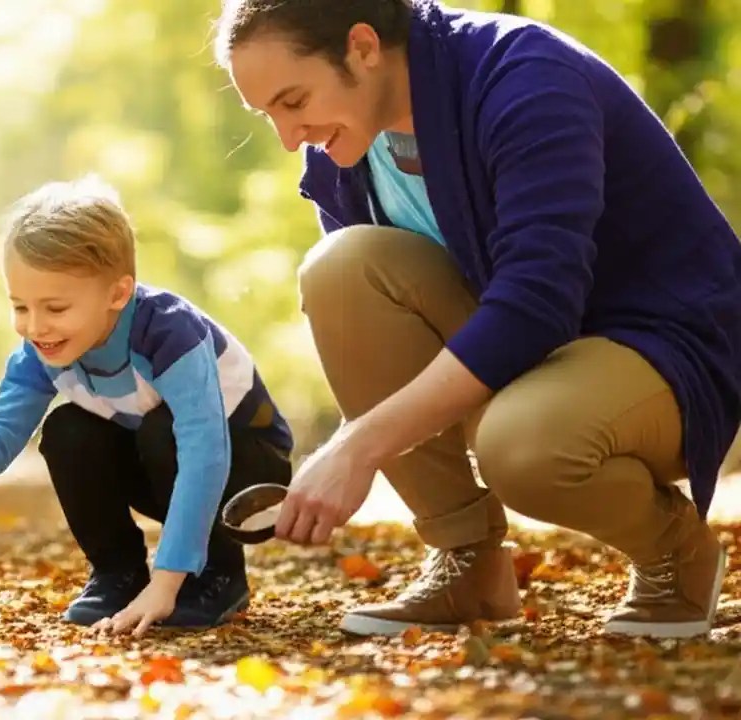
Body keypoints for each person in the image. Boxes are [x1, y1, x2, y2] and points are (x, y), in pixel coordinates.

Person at [214, 0, 741, 639]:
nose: (288, 135)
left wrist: (359, 444)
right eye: (267, 113)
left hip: (669, 346)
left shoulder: (524, 77)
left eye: (293, 101)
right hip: (542, 354)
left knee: (521, 447)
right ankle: (467, 561)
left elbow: (536, 302)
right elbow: (381, 322)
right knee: (341, 266)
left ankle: (675, 553)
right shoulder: (341, 144)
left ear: (362, 46)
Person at [0, 175, 294, 637]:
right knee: (68, 429)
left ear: (117, 294)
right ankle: (118, 573)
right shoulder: (39, 352)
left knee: (162, 429)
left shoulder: (169, 332)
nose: (35, 326)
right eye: (21, 307)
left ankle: (217, 577)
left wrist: (168, 581)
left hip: (248, 479)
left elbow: (205, 450)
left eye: (55, 308)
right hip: (164, 468)